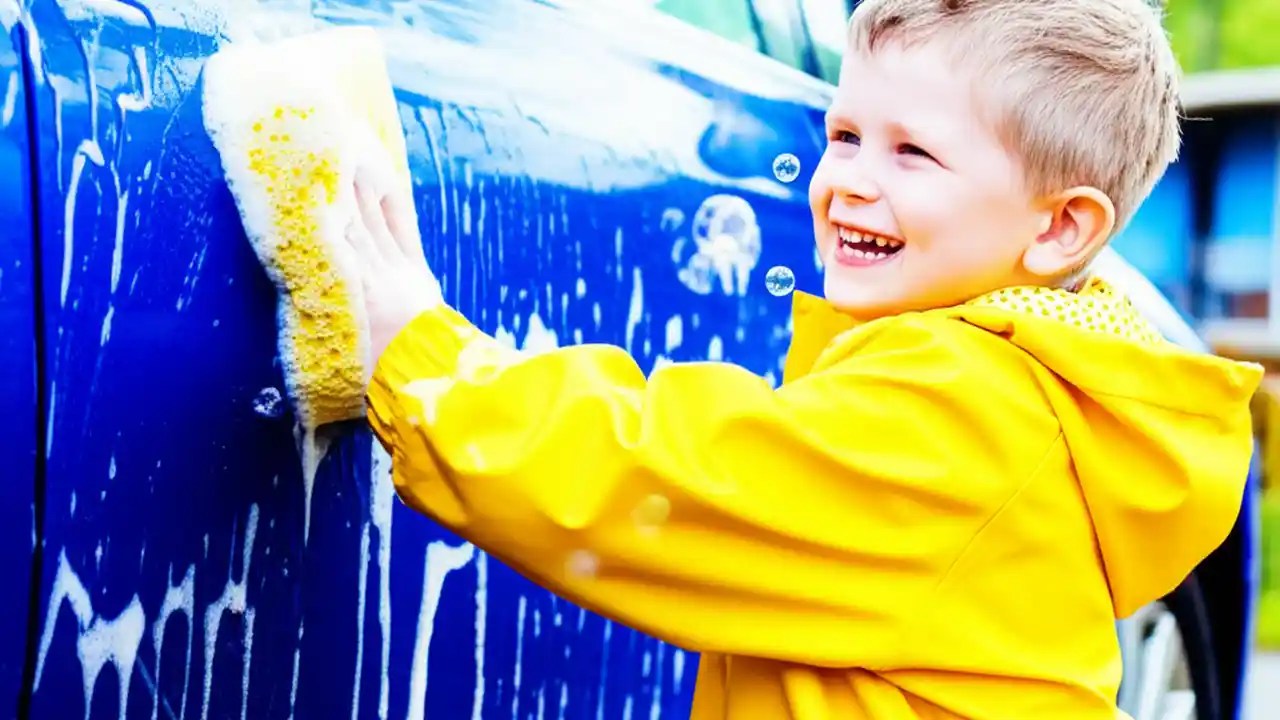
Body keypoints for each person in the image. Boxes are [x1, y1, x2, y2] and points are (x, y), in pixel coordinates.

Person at [340, 0, 1262, 717]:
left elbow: (672, 476)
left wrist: (427, 363)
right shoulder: (1034, 390)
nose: (849, 180)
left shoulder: (966, 417)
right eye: (846, 134)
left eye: (914, 154)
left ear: (1062, 226)